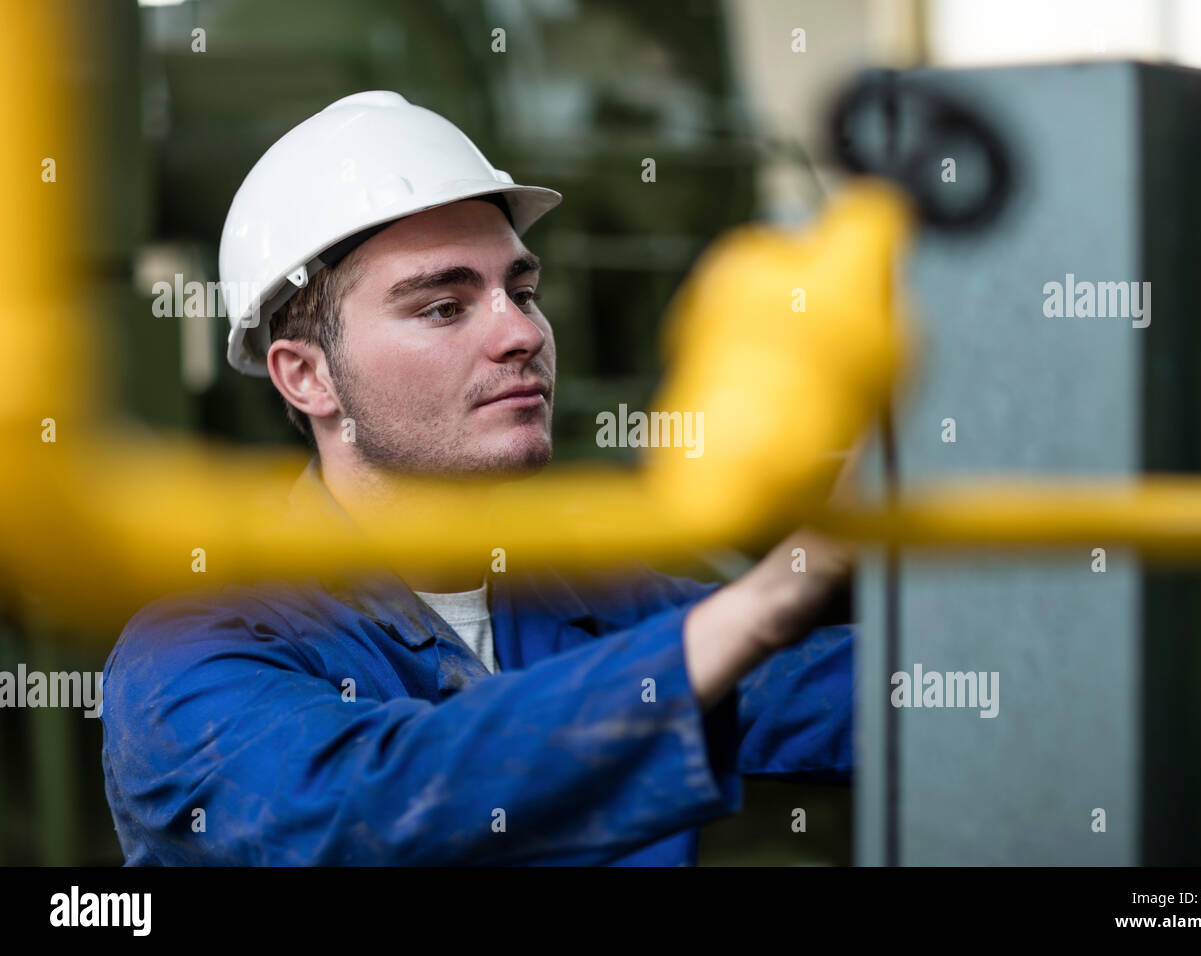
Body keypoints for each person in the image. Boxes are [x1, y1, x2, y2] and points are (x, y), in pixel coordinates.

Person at [100, 92, 855, 865]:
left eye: (522, 293)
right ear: (306, 377)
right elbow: (361, 810)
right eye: (442, 307)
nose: (523, 332)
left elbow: (854, 695)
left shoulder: (595, 599)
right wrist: (759, 608)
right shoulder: (191, 650)